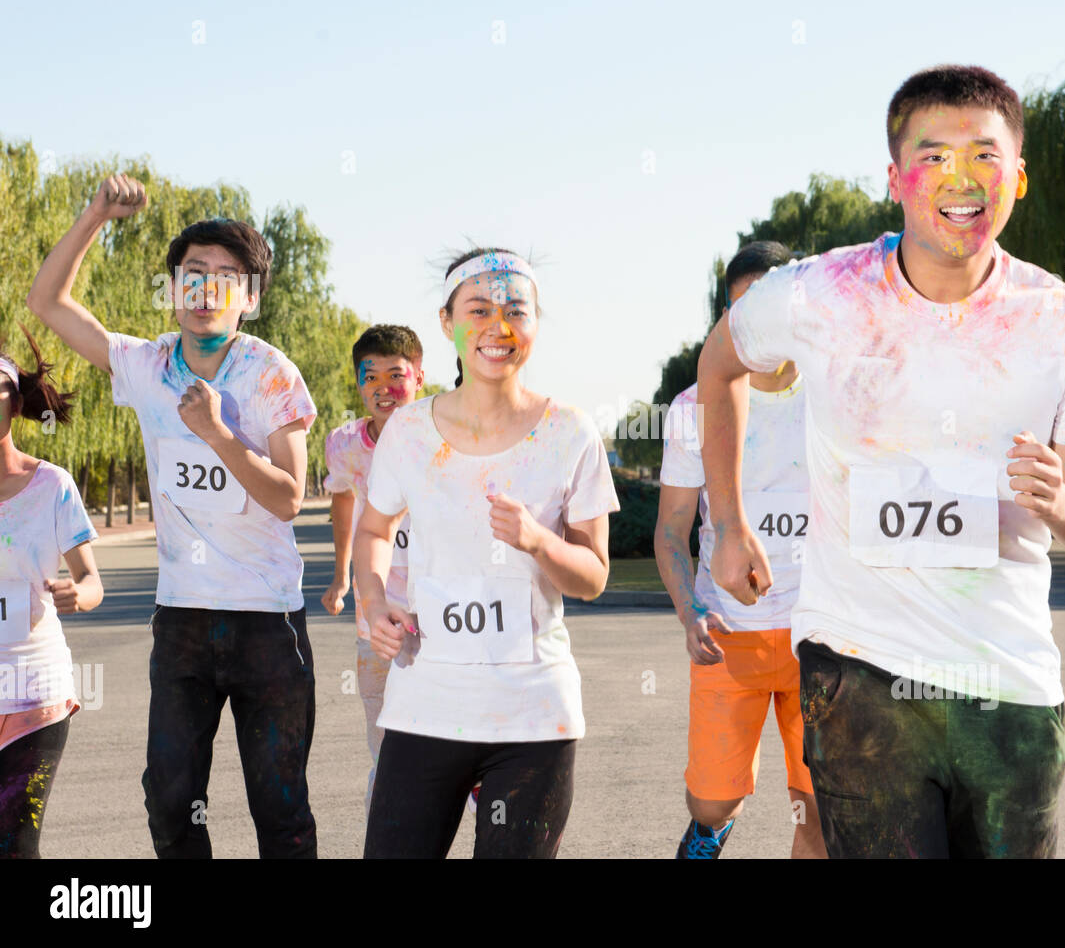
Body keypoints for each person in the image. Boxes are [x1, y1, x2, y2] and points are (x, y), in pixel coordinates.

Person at [697, 65, 1065, 858]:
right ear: (894, 177)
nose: (959, 178)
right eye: (933, 156)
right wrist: (727, 522)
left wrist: (1063, 500)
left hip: (1009, 685)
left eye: (984, 156)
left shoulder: (1064, 324)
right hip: (860, 673)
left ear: (1019, 177)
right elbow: (719, 365)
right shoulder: (817, 293)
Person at [26, 175, 319, 858]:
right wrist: (98, 213)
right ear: (174, 286)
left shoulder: (271, 374)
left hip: (265, 619)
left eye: (225, 276)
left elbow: (286, 496)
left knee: (280, 805)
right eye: (193, 273)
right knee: (169, 797)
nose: (206, 287)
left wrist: (220, 434)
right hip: (182, 618)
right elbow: (49, 302)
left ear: (249, 296)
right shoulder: (146, 364)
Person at [355, 248, 619, 859]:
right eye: (479, 309)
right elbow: (373, 531)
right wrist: (373, 599)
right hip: (425, 708)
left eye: (515, 311)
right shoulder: (409, 431)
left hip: (533, 717)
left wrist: (538, 541)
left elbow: (593, 577)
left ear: (534, 324)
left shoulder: (569, 432)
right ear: (447, 323)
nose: (498, 328)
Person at [656, 241, 825, 859]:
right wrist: (688, 611)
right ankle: (708, 832)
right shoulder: (691, 409)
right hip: (731, 632)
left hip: (824, 635)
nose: (752, 325)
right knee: (713, 799)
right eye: (737, 312)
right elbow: (673, 530)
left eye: (766, 307)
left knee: (820, 808)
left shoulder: (838, 396)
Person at [0, 327, 103, 858]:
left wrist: (78, 594)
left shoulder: (52, 485)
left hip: (34, 693)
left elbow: (92, 581)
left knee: (15, 843)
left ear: (16, 403)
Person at [321, 325, 423, 817]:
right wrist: (343, 574)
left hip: (440, 618)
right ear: (359, 384)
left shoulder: (443, 436)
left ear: (419, 377)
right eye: (371, 376)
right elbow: (343, 502)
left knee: (456, 739)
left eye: (396, 374)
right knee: (385, 739)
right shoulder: (344, 445)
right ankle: (390, 829)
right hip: (374, 619)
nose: (384, 386)